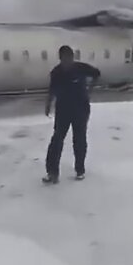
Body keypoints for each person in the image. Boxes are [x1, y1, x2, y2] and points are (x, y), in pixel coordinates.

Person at [43, 45, 101, 184]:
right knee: (57, 140)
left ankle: (80, 170)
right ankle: (52, 173)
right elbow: (52, 90)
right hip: (63, 110)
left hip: (80, 109)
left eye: (69, 58)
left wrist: (90, 89)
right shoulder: (56, 73)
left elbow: (97, 73)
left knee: (79, 139)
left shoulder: (81, 68)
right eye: (64, 58)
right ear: (60, 58)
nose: (67, 61)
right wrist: (48, 104)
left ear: (72, 57)